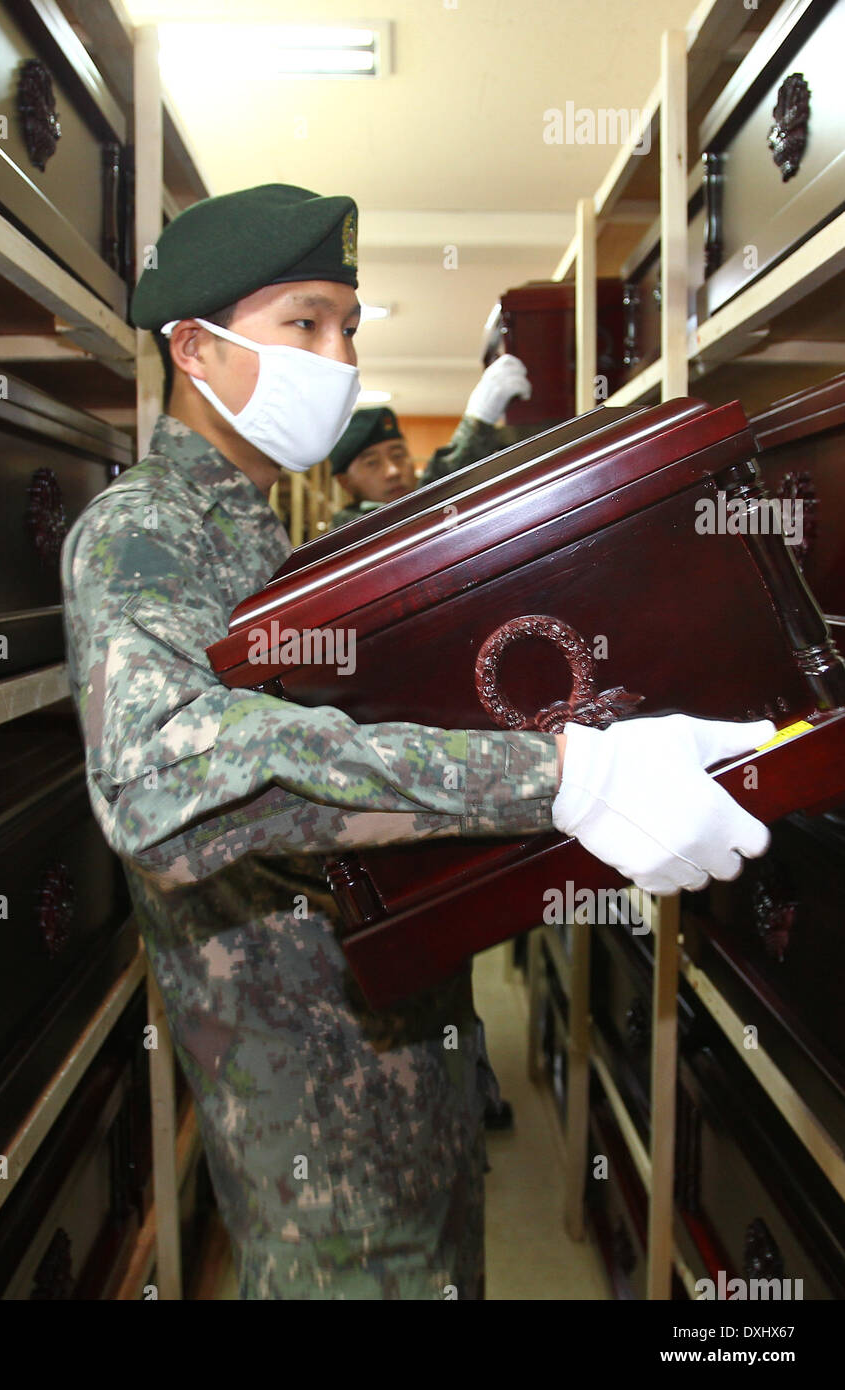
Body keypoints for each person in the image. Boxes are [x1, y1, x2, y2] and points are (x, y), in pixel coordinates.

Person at [60, 182, 774, 1300]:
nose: (337, 359)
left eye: (348, 325)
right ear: (192, 348)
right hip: (311, 1106)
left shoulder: (259, 527)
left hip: (399, 1038)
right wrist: (557, 777)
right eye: (303, 324)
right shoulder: (144, 530)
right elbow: (165, 777)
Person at [329, 359, 534, 528]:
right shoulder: (348, 531)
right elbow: (410, 521)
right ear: (345, 482)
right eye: (372, 463)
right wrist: (478, 423)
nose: (392, 471)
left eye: (398, 455)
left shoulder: (420, 504)